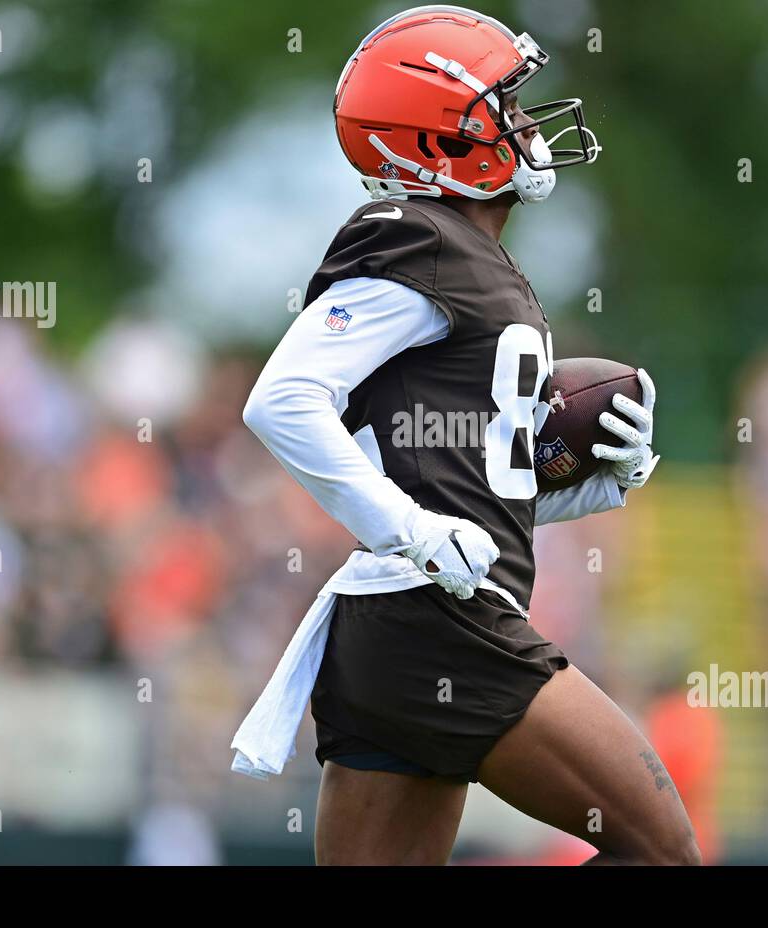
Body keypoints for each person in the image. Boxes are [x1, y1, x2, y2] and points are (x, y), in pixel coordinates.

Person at [236, 5, 699, 866]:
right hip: (434, 620)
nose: (527, 123)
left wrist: (569, 489)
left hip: (396, 637)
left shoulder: (468, 256)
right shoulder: (413, 238)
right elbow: (284, 399)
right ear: (441, 139)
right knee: (662, 852)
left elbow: (452, 478)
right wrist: (407, 530)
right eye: (505, 107)